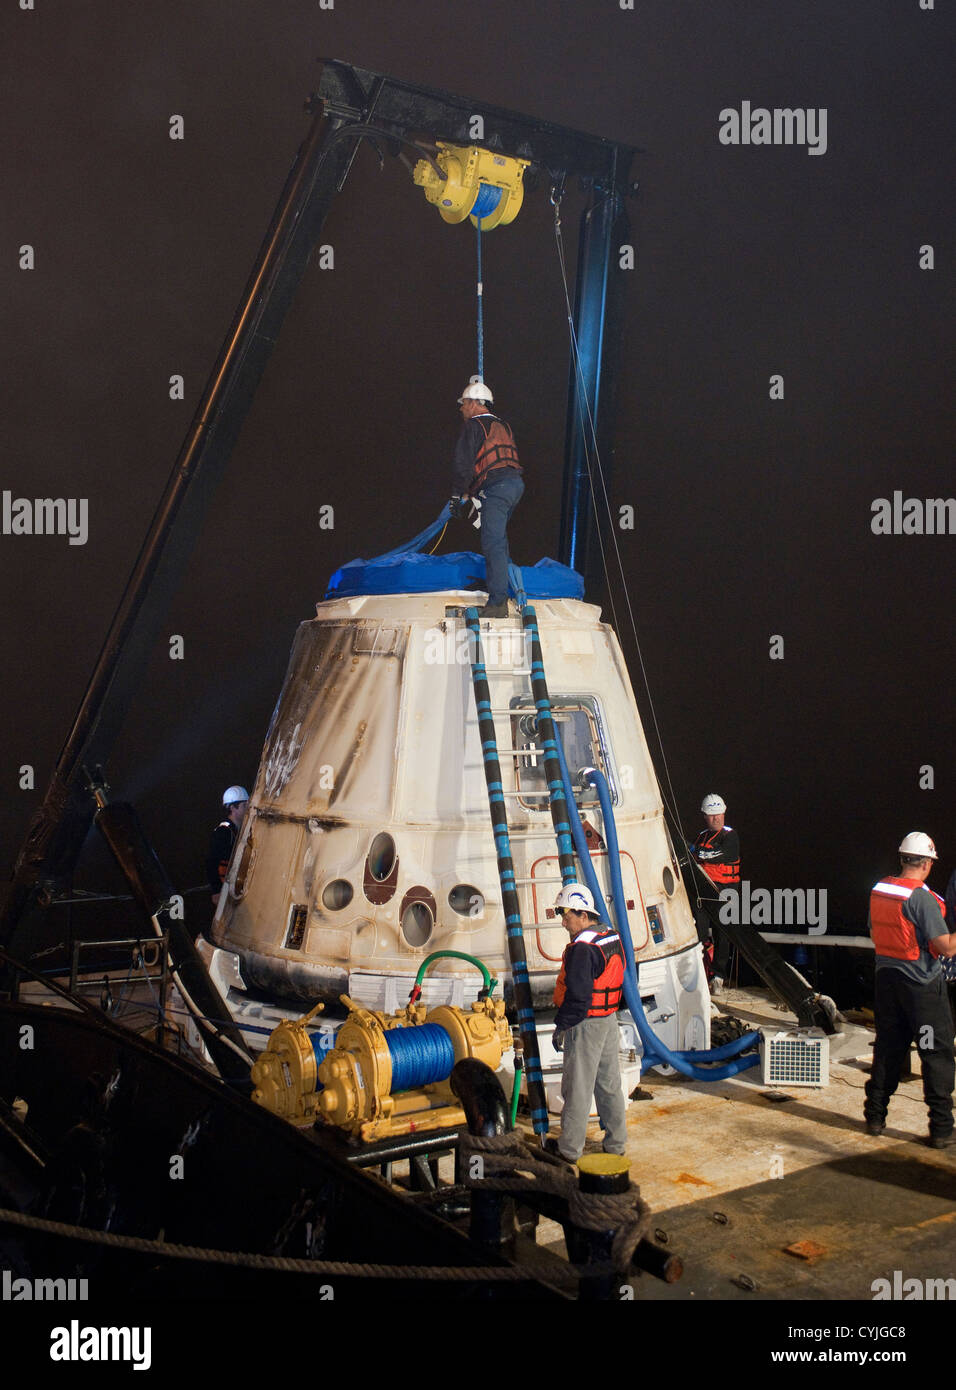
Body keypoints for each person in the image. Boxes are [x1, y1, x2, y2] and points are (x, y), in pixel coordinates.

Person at [863, 832, 956, 1149]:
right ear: (927, 863)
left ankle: (875, 1117)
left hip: (887, 984)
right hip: (922, 990)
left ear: (903, 859)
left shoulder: (880, 889)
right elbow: (946, 948)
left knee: (888, 1049)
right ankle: (941, 1128)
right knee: (935, 1053)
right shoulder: (921, 899)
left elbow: (876, 933)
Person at [545, 882, 628, 1164]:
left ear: (582, 913)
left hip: (586, 1023)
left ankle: (569, 1150)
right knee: (609, 1083)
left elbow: (579, 996)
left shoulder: (582, 948)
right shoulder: (610, 936)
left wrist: (562, 1025)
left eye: (566, 915)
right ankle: (616, 1144)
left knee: (577, 1088)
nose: (563, 921)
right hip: (608, 1020)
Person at [449, 379, 523, 618]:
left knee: (493, 544)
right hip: (513, 487)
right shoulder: (504, 425)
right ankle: (502, 588)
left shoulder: (473, 426)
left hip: (497, 489)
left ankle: (498, 603)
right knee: (495, 537)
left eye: (464, 403)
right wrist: (470, 495)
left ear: (473, 403)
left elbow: (464, 465)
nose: (461, 408)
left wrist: (457, 495)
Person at [689, 793, 740, 993]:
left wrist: (702, 853)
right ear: (704, 816)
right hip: (703, 889)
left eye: (718, 814)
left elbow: (724, 854)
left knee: (723, 933)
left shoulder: (730, 835)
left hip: (726, 890)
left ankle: (718, 976)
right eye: (711, 815)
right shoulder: (701, 836)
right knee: (699, 931)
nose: (715, 818)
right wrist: (698, 852)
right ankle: (702, 971)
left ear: (724, 813)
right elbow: (693, 855)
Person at [206, 785, 249, 911]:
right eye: (244, 805)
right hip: (225, 890)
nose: (247, 808)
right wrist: (217, 890)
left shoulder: (236, 830)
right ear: (232, 807)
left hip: (233, 888)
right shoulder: (224, 832)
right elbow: (211, 861)